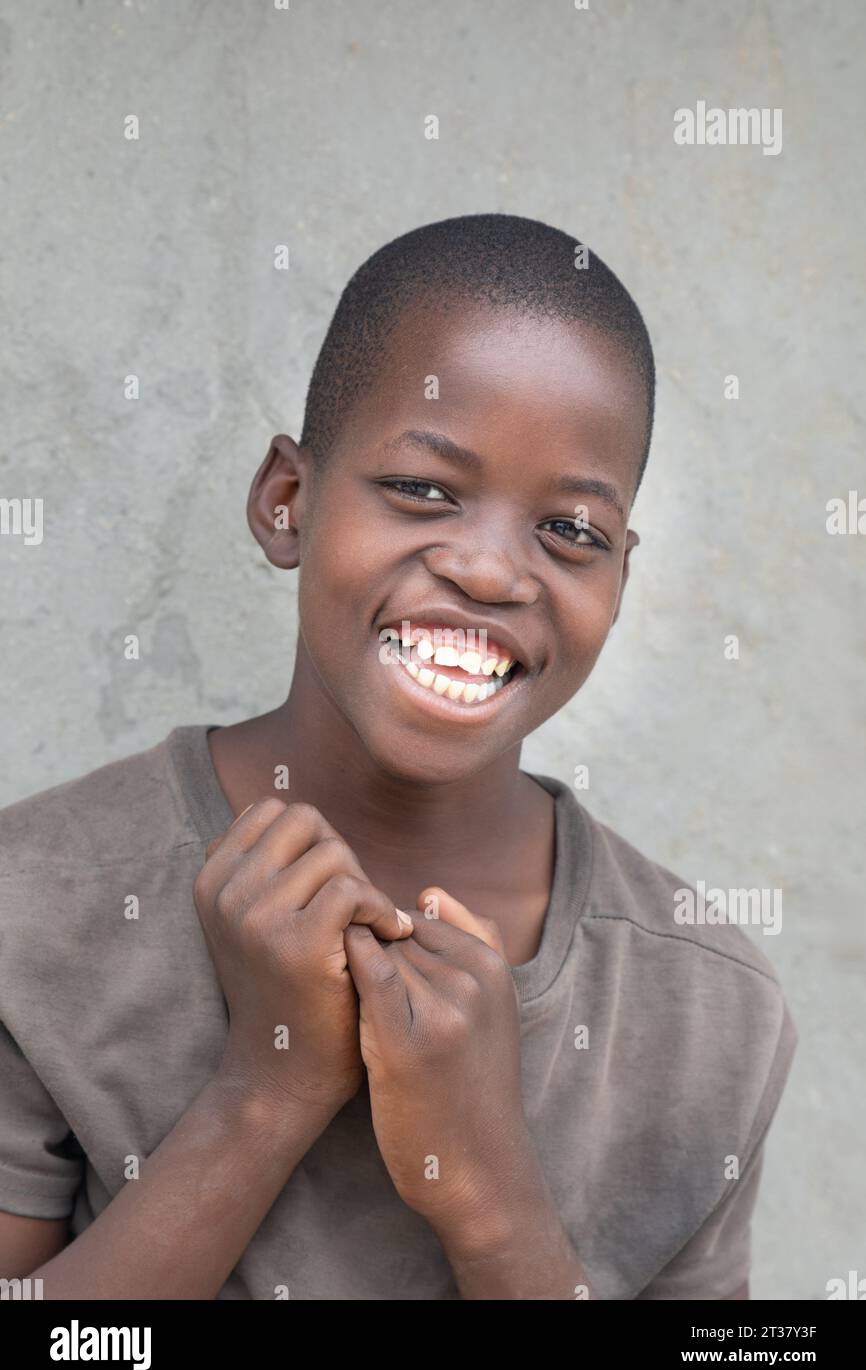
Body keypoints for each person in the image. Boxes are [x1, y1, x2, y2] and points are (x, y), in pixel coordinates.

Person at [0, 214, 796, 1299]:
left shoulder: (707, 1012)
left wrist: (489, 1197)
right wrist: (263, 1096)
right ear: (286, 500)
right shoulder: (37, 912)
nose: (486, 570)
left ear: (619, 577)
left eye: (568, 531)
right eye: (423, 489)